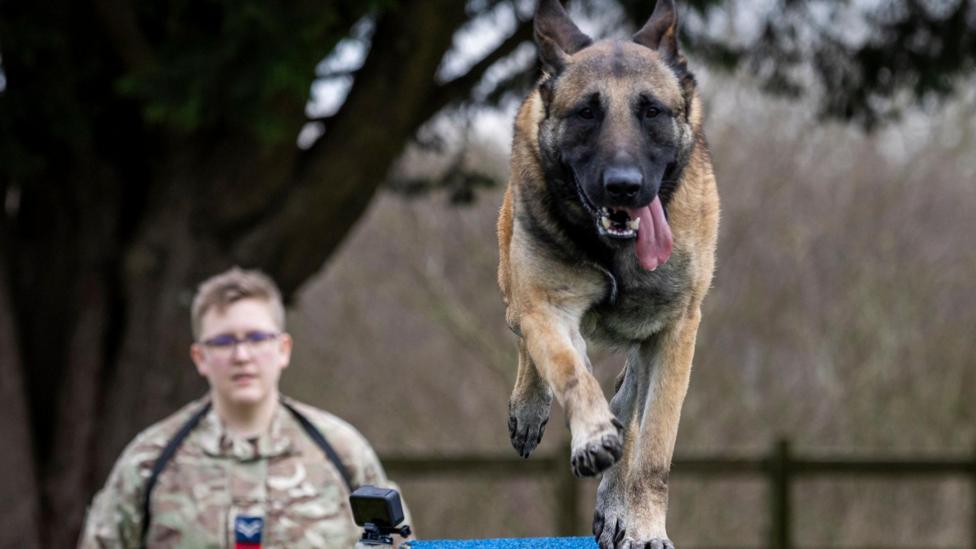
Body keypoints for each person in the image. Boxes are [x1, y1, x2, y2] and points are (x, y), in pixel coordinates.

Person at [79, 267, 411, 548]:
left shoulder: (343, 454)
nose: (241, 356)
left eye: (256, 338)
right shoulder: (150, 462)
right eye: (223, 341)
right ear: (200, 357)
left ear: (283, 349)